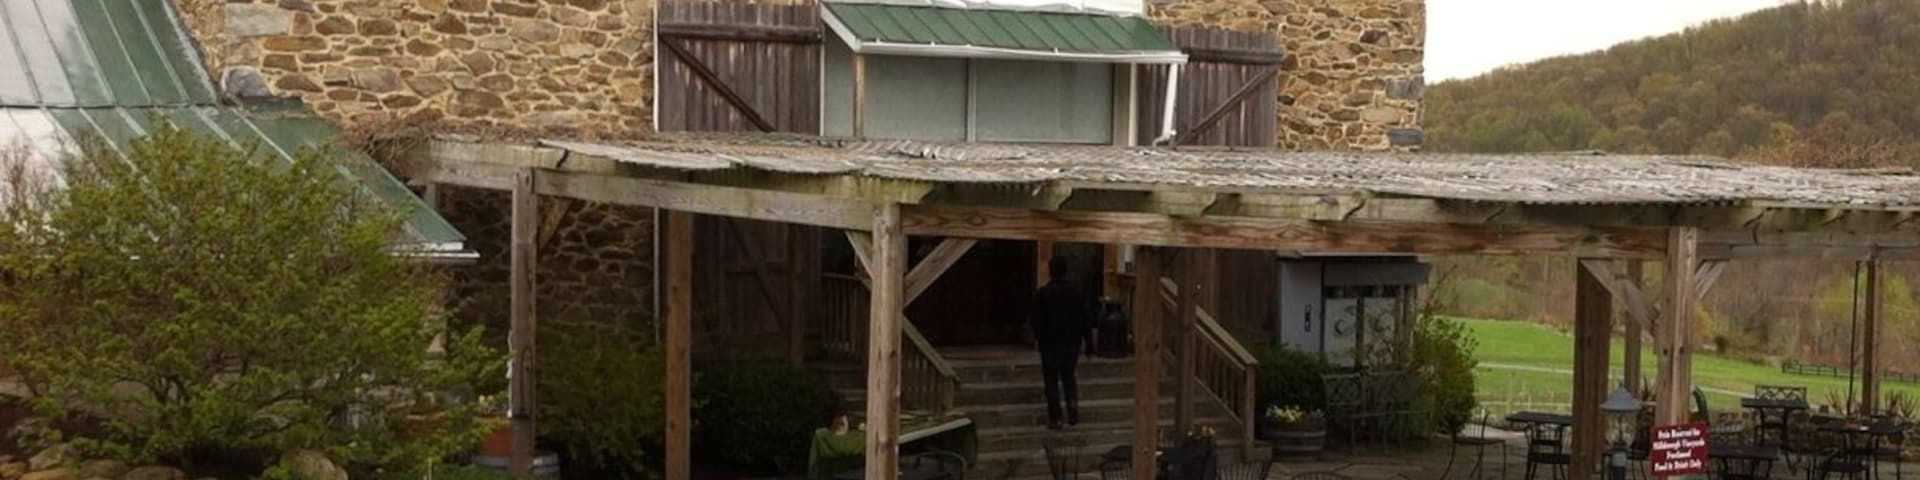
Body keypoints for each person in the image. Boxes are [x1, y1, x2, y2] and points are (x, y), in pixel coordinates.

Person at [1030, 256, 1095, 430]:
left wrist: (1038, 338)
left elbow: (1036, 321)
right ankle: (1072, 409)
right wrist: (1088, 344)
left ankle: (1056, 417)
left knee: (1051, 381)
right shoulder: (1077, 293)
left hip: (1050, 344)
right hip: (1072, 343)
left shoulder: (1042, 294)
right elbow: (1085, 320)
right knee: (1069, 377)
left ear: (1050, 271)